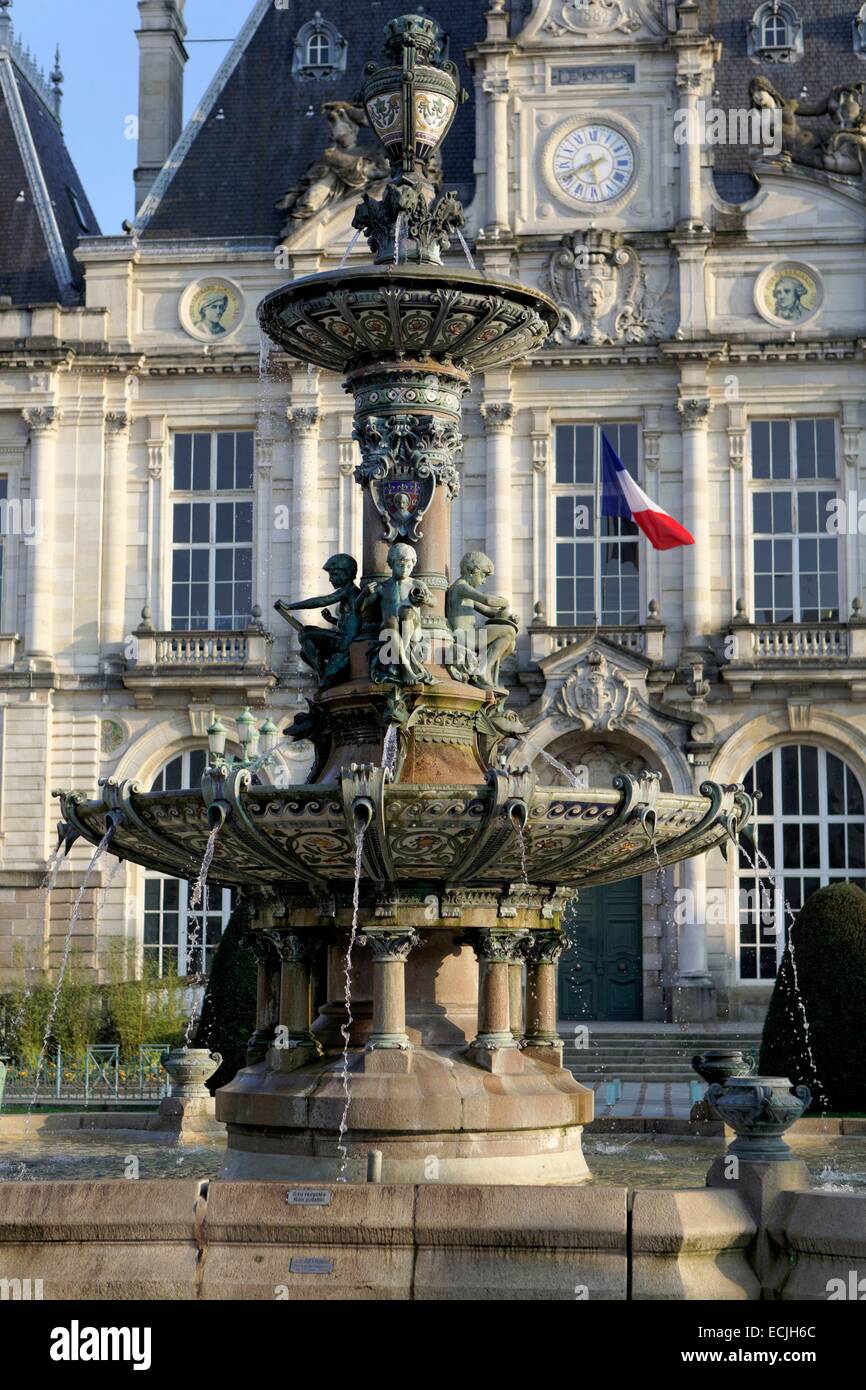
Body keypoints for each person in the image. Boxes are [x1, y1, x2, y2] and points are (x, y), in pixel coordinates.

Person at [274, 553, 360, 686]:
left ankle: (324, 677)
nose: (330, 579)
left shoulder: (349, 590)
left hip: (345, 642)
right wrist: (332, 620)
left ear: (347, 574)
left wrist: (290, 606)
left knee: (306, 634)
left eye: (334, 575)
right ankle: (328, 675)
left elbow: (323, 600)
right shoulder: (349, 592)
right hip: (343, 638)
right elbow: (350, 622)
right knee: (304, 653)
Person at [361, 542, 434, 685]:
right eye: (400, 565)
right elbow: (361, 608)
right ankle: (405, 666)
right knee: (390, 620)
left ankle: (400, 656)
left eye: (409, 566)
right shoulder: (383, 587)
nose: (405, 569)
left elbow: (434, 602)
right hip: (390, 631)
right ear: (390, 564)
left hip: (412, 631)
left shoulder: (417, 585)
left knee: (406, 612)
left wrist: (426, 599)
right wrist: (363, 594)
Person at [445, 551, 518, 691]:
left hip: (471, 636)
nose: (484, 581)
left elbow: (489, 612)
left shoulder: (467, 590)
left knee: (511, 644)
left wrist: (508, 617)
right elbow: (487, 600)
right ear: (473, 570)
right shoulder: (461, 587)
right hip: (463, 636)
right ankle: (483, 669)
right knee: (508, 632)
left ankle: (484, 669)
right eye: (483, 575)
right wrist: (505, 601)